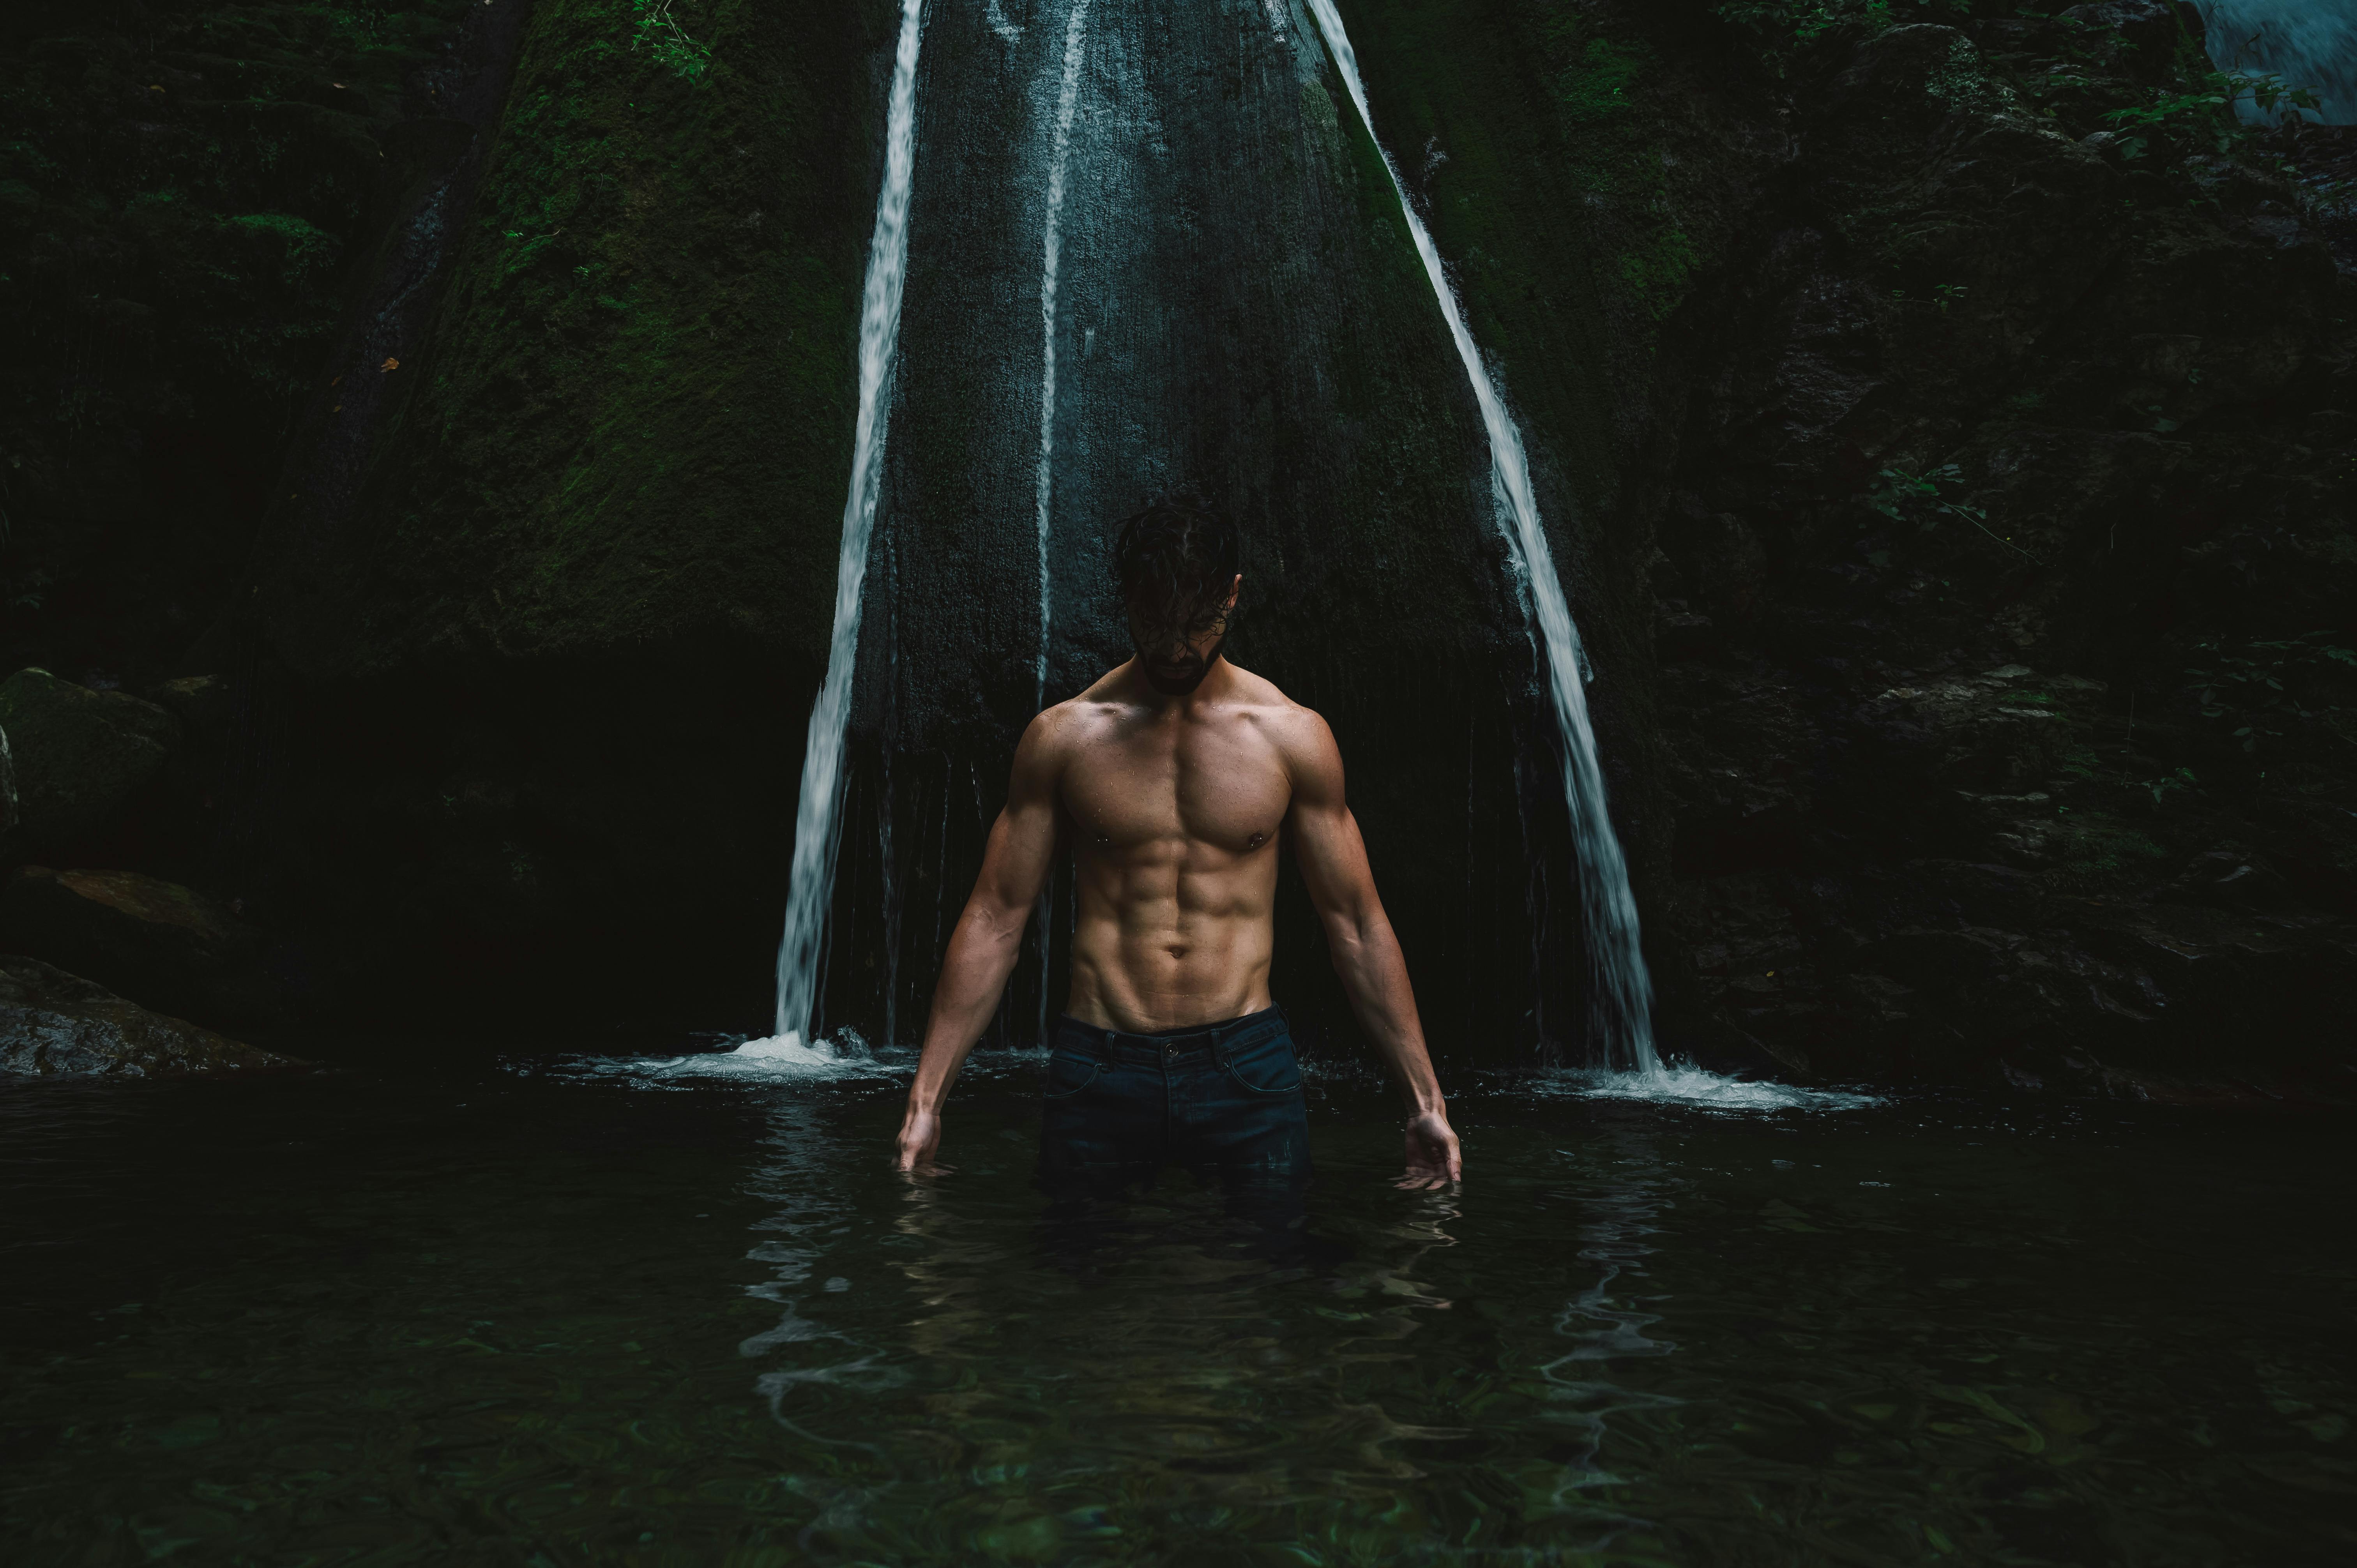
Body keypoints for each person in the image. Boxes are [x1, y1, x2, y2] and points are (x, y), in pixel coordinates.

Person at [892, 493, 1463, 1195]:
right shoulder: (1065, 738)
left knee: (1269, 1264)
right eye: (1154, 622)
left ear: (1233, 596)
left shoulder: (1292, 738)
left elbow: (1356, 924)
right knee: (1076, 1264)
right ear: (1126, 599)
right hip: (1099, 1062)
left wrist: (1425, 1102)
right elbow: (995, 918)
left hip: (1246, 1065)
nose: (1175, 649)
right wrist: (926, 1102)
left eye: (1198, 623)